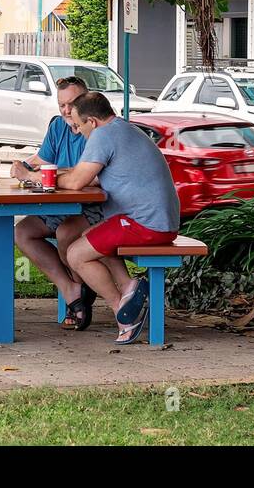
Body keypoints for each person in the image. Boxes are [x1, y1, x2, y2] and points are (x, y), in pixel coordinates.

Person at [63, 92, 181, 345]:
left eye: (79, 125)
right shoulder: (125, 129)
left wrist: (43, 178)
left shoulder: (103, 135)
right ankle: (129, 287)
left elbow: (76, 182)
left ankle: (124, 313)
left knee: (75, 255)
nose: (77, 130)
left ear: (92, 121)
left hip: (147, 224)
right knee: (89, 237)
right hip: (158, 220)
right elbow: (95, 177)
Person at [10, 76, 104, 331]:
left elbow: (91, 177)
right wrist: (24, 166)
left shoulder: (95, 129)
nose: (65, 110)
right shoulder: (58, 126)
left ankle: (83, 298)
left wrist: (41, 175)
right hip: (60, 206)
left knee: (66, 233)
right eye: (61, 104)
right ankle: (71, 289)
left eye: (71, 104)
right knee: (22, 232)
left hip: (94, 208)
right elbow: (43, 158)